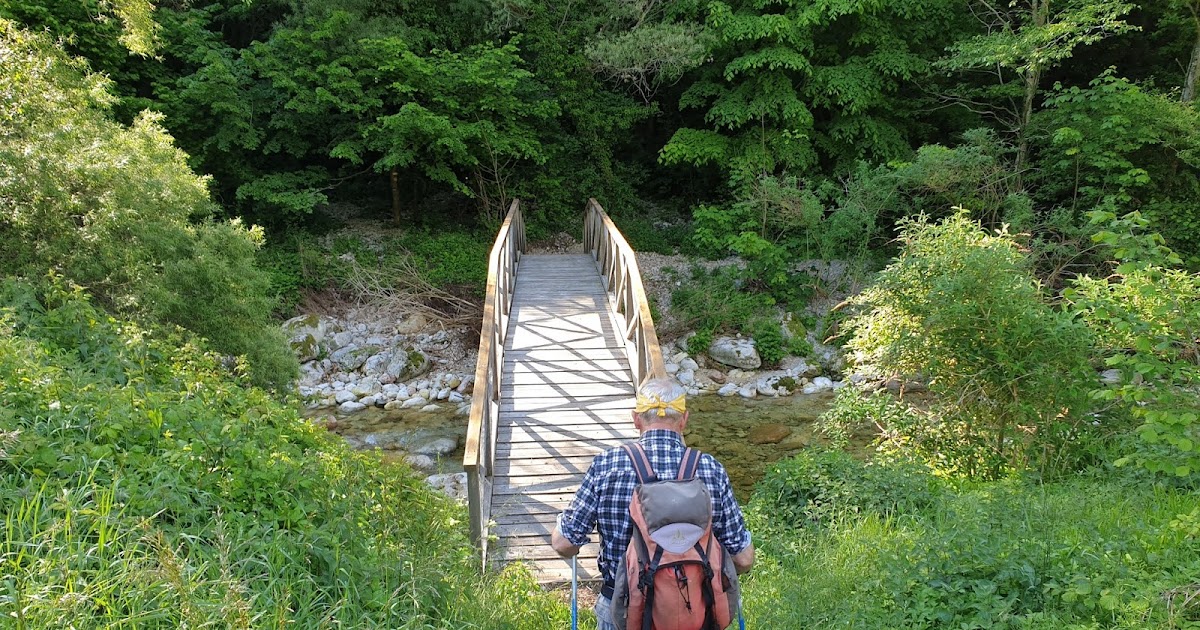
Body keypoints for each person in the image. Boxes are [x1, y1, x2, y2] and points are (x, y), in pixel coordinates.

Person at [551, 376, 755, 629]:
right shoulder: (710, 468)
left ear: (636, 418)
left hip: (622, 609)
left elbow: (564, 544)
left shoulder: (607, 465)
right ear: (684, 420)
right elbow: (743, 559)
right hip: (695, 610)